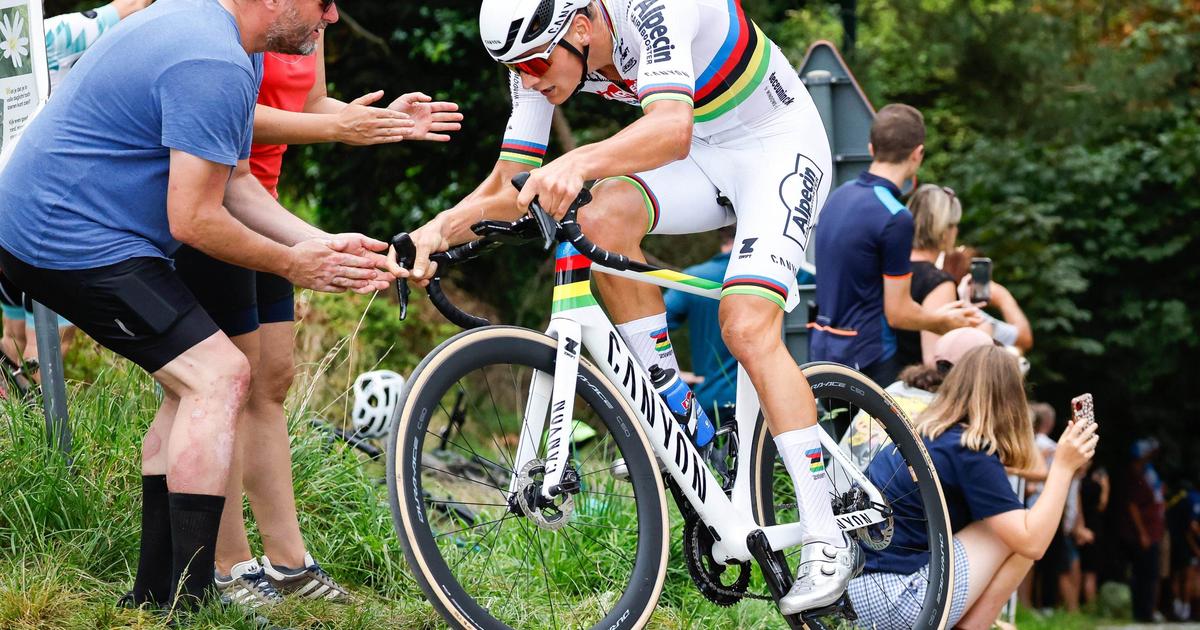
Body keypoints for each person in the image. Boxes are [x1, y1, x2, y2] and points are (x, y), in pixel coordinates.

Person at [397, 0, 857, 613]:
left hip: (776, 146)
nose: (530, 79)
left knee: (745, 327)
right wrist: (434, 230)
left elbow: (670, 128)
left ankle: (826, 533)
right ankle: (676, 405)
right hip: (703, 159)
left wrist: (574, 162)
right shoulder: (537, 55)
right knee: (598, 218)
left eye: (536, 63)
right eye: (516, 69)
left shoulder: (653, 9)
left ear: (581, 28)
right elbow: (508, 185)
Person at [0, 0, 394, 611]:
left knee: (197, 382)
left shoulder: (225, 41)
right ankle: (190, 600)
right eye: (322, 2)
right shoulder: (213, 58)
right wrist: (294, 264)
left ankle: (160, 597)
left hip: (88, 230)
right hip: (64, 238)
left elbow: (235, 183)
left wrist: (321, 245)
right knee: (218, 376)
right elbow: (193, 220)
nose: (334, 16)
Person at [195, 27, 461, 606]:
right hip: (215, 203)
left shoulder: (306, 25)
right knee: (227, 385)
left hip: (266, 204)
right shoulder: (242, 20)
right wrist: (335, 129)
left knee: (272, 380)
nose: (334, 17)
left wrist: (379, 123)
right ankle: (230, 569)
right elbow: (233, 113)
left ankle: (288, 564)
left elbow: (309, 105)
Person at [847, 345, 1099, 629]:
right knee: (1019, 536)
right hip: (899, 603)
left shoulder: (932, 435)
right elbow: (1033, 542)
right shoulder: (969, 451)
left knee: (1010, 524)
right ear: (1010, 399)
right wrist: (1064, 467)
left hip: (857, 595)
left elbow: (1023, 466)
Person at [0, 0, 156, 388]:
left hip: (12, 217)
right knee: (46, 343)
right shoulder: (48, 38)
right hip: (44, 215)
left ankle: (22, 430)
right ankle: (41, 435)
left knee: (14, 340)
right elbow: (132, 6)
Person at [810, 105, 980, 386]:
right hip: (871, 364)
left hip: (824, 356)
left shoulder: (837, 197)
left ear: (871, 147)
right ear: (918, 154)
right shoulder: (894, 216)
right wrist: (943, 322)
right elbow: (898, 313)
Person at [664, 225, 814, 422]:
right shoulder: (783, 274)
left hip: (712, 401)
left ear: (721, 233)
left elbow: (651, 325)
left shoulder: (694, 278)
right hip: (770, 397)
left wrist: (673, 375)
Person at [894, 184, 960, 367]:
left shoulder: (889, 270)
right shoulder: (937, 283)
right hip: (910, 388)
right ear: (945, 230)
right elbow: (933, 360)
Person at [1118, 437, 1167, 622]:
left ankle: (1148, 611)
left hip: (1155, 531)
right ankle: (1142, 613)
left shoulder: (1149, 472)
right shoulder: (1135, 475)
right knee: (1144, 574)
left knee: (1153, 573)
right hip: (1143, 535)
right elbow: (1132, 506)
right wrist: (1143, 534)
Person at [1078, 464, 1109, 606]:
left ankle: (1074, 604)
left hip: (1078, 528)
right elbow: (1102, 504)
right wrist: (1105, 485)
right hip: (1092, 529)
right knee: (1090, 572)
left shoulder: (1076, 482)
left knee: (1077, 569)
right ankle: (1091, 607)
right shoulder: (1094, 485)